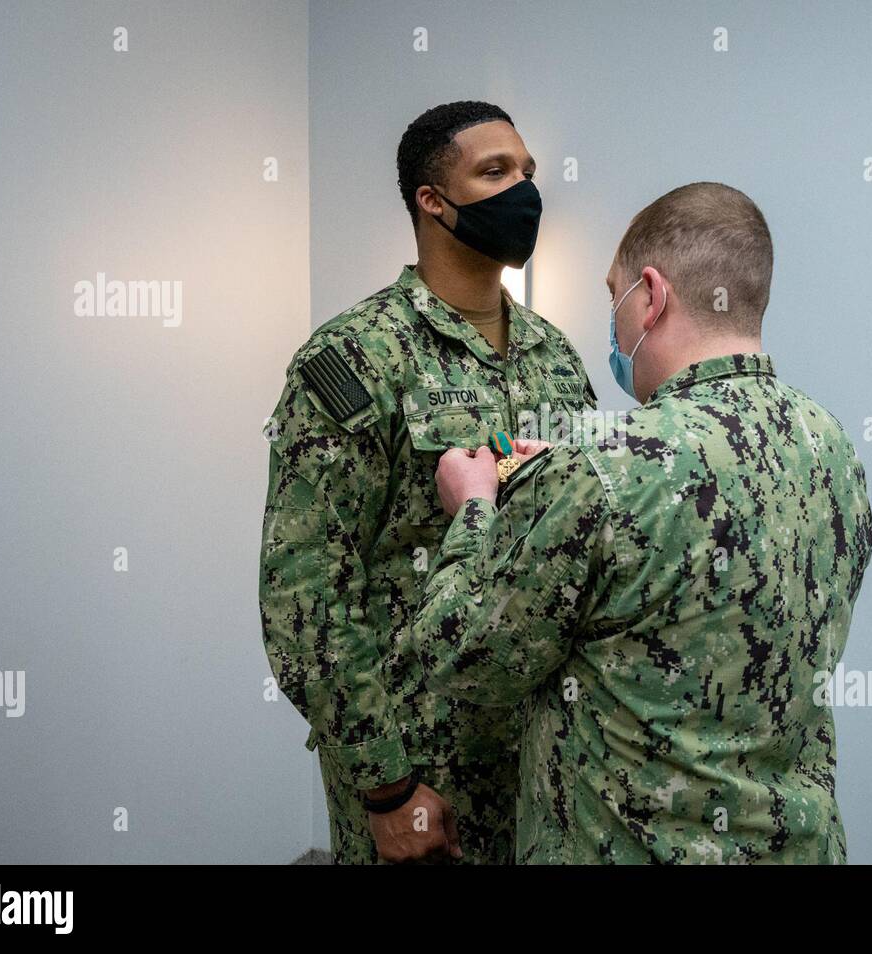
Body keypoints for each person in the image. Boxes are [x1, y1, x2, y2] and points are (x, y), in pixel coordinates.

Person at [411, 182, 872, 863]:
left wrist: (475, 509)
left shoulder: (603, 472)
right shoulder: (827, 441)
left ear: (651, 296)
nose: (614, 320)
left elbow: (459, 660)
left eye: (614, 296)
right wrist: (566, 489)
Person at [258, 101, 595, 864]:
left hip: (538, 757)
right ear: (431, 201)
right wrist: (384, 786)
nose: (524, 191)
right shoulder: (356, 358)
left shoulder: (556, 356)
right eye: (496, 171)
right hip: (420, 763)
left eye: (528, 172)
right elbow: (305, 592)